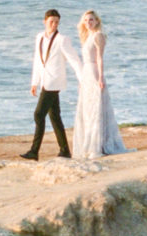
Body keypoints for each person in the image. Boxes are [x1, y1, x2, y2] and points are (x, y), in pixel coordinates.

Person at [24, 8, 78, 159]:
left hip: (55, 81)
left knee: (38, 114)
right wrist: (34, 82)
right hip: (44, 82)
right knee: (55, 117)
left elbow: (73, 59)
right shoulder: (39, 37)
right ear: (45, 21)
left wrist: (82, 77)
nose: (54, 25)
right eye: (51, 22)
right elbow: (38, 60)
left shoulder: (62, 39)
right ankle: (65, 150)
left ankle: (34, 151)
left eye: (56, 22)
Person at [72, 9, 127, 157]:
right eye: (86, 20)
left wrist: (101, 77)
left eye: (91, 20)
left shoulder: (98, 36)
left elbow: (99, 59)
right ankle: (88, 145)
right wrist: (82, 80)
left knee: (97, 108)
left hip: (95, 72)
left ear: (97, 21)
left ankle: (97, 146)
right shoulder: (87, 37)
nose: (88, 22)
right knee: (87, 109)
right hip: (87, 74)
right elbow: (85, 61)